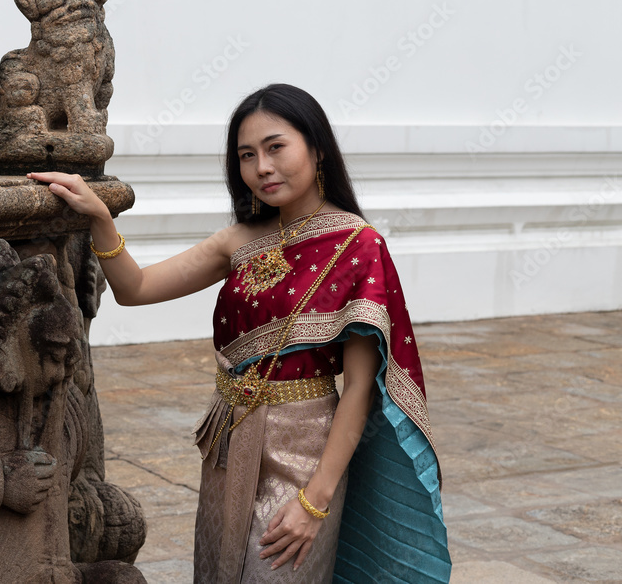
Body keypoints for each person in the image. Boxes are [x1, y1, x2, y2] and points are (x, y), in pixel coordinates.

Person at [29, 83, 451, 583]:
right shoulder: (239, 239)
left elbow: (359, 387)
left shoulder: (357, 245)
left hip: (303, 445)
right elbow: (137, 287)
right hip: (228, 438)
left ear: (316, 149)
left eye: (276, 148)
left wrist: (315, 500)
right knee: (219, 571)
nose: (262, 168)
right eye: (247, 156)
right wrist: (100, 218)